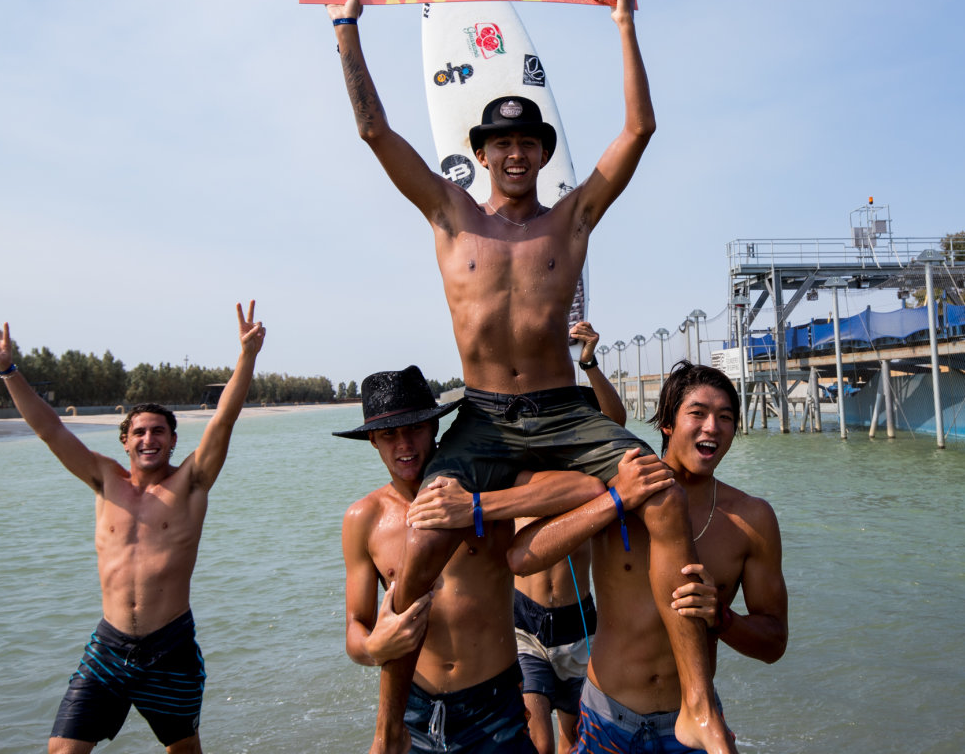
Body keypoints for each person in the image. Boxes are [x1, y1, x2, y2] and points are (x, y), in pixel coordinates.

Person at [329, 0, 734, 754]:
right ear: (481, 154)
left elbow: (640, 128)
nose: (516, 155)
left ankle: (696, 702)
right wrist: (347, 28)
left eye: (529, 145)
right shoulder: (451, 215)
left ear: (543, 154)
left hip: (561, 405)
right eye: (502, 145)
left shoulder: (571, 220)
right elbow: (375, 131)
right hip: (482, 415)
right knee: (420, 542)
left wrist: (622, 22)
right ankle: (387, 729)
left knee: (654, 487)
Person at [0, 301, 266, 754]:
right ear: (125, 441)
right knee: (62, 750)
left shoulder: (191, 483)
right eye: (139, 432)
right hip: (108, 648)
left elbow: (224, 419)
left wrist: (247, 355)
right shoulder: (104, 479)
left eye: (158, 432)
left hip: (170, 648)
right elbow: (49, 429)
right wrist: (8, 370)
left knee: (184, 751)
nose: (148, 439)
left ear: (173, 440)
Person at [338, 365, 635, 754]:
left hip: (494, 706)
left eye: (414, 429)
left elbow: (583, 486)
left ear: (435, 429)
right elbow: (355, 629)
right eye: (389, 435)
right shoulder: (364, 518)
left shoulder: (484, 485)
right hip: (414, 709)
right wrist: (375, 647)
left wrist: (476, 507)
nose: (404, 445)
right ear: (373, 441)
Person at [509, 362, 789, 754]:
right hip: (607, 718)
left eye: (725, 417)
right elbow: (523, 555)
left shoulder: (751, 520)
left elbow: (774, 642)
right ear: (667, 424)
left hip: (692, 726)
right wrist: (615, 500)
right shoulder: (618, 489)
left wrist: (721, 617)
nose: (712, 427)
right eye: (698, 413)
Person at [513, 321, 624, 754]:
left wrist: (589, 361)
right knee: (537, 739)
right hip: (526, 621)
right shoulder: (521, 466)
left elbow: (616, 419)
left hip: (580, 620)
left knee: (572, 736)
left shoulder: (590, 473)